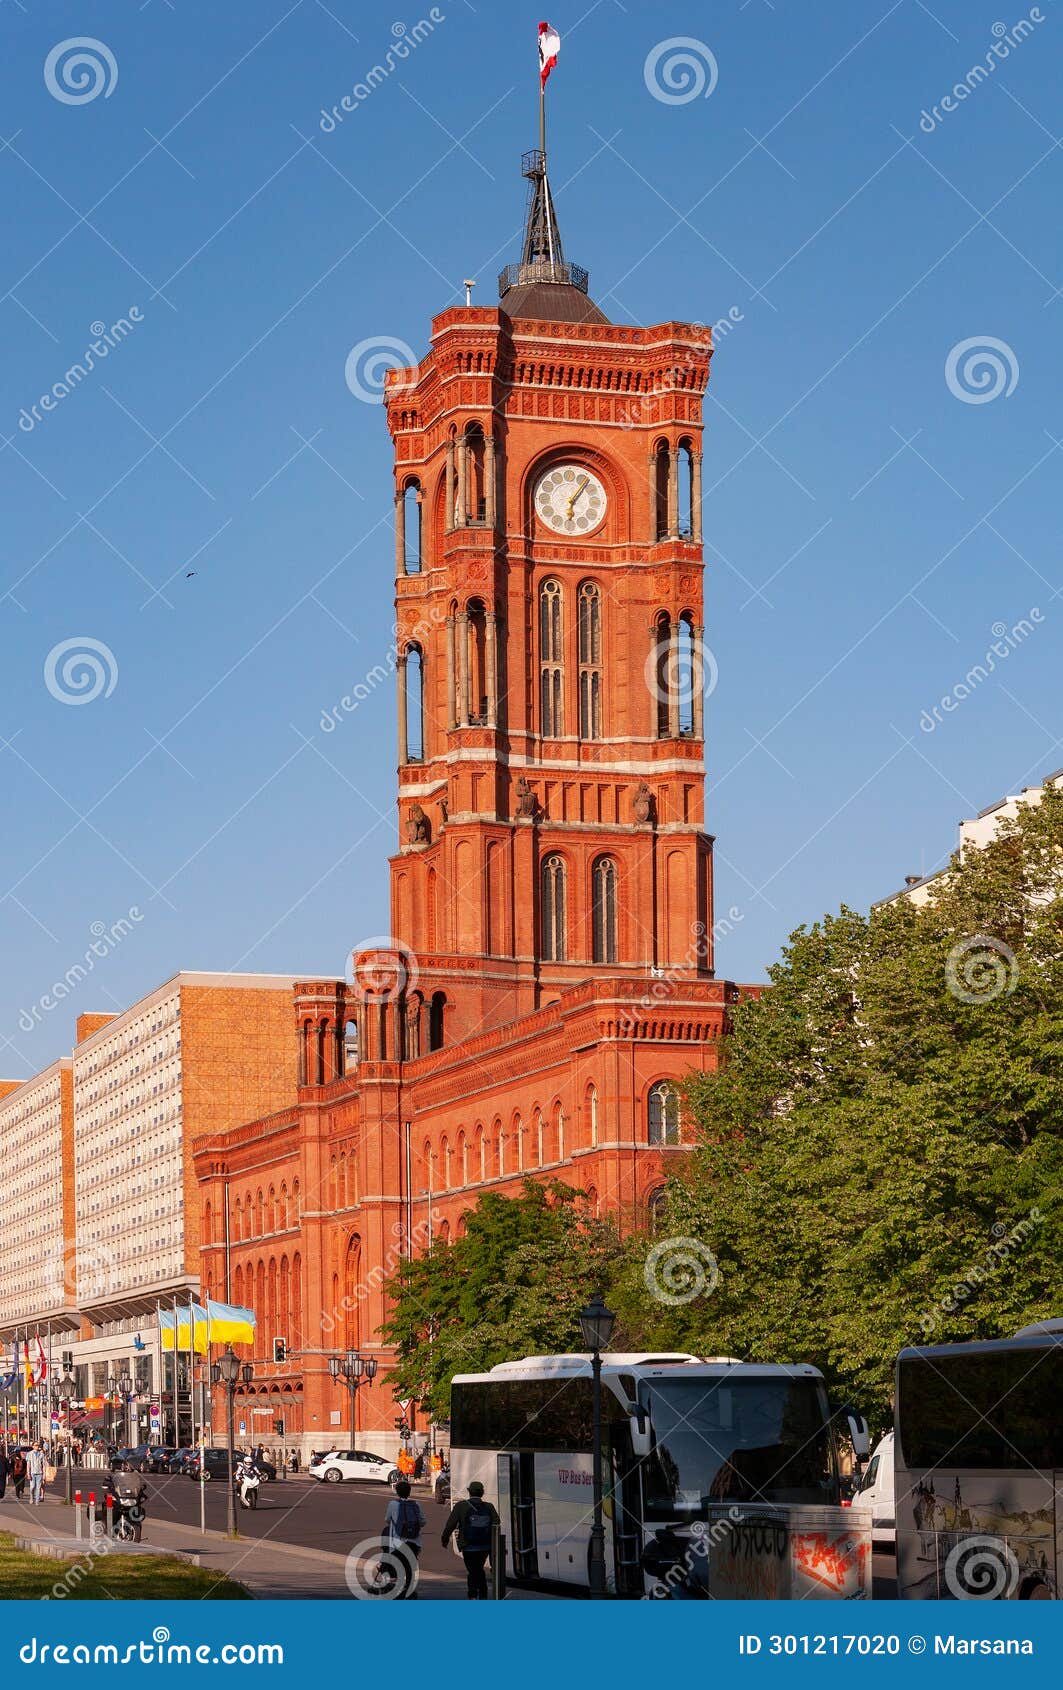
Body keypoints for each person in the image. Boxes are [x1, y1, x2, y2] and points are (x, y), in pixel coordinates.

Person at [441, 1480, 499, 1600]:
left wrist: (445, 1538)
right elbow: (497, 1523)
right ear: (482, 1493)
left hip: (468, 1545)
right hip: (485, 1546)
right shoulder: (489, 1507)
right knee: (478, 1569)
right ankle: (482, 1595)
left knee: (473, 1570)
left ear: (469, 1492)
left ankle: (473, 1595)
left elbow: (451, 1524)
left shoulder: (461, 1506)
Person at [380, 1478, 425, 1598]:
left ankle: (397, 1588)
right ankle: (410, 1588)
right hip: (414, 1541)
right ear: (409, 1492)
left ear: (397, 1492)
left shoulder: (393, 1504)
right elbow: (423, 1521)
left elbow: (387, 1519)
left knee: (397, 1564)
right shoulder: (416, 1504)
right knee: (409, 1565)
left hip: (397, 1542)